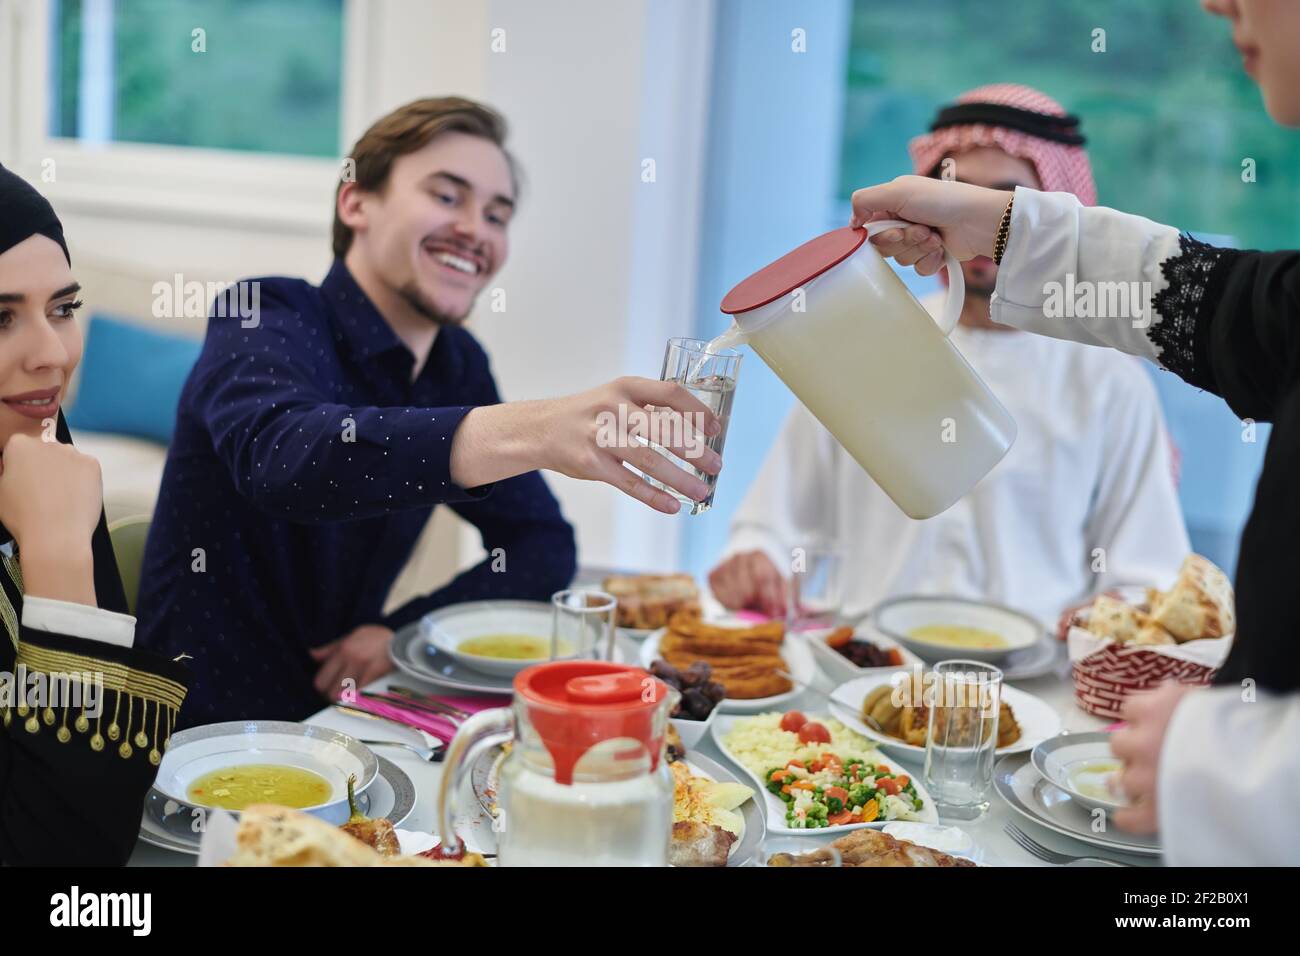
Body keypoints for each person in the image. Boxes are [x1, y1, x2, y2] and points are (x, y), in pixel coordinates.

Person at [846, 0, 1300, 867]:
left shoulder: (1106, 381)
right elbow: (1241, 307)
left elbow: (1150, 592)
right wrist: (1010, 233)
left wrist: (1233, 762)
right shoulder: (875, 347)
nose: (1214, 4)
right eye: (962, 193)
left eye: (1010, 196)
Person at [138, 97, 721, 727]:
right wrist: (534, 429)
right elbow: (283, 457)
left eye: (498, 215)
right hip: (195, 731)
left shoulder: (455, 364)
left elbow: (540, 542)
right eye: (447, 197)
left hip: (346, 724)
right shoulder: (266, 312)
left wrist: (400, 635)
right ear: (355, 203)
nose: (476, 230)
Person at [709, 85, 1188, 628]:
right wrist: (756, 561)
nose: (980, 228)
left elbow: (1148, 577)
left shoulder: (1106, 378)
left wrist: (1115, 612)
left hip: (1028, 690)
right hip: (865, 675)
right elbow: (773, 529)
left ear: (1049, 219)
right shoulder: (859, 342)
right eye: (962, 200)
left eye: (1007, 208)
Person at [0, 164, 189, 865]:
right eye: (1, 316)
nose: (53, 354)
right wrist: (55, 555)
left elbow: (104, 808)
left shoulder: (46, 464)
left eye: (63, 308)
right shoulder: (53, 502)